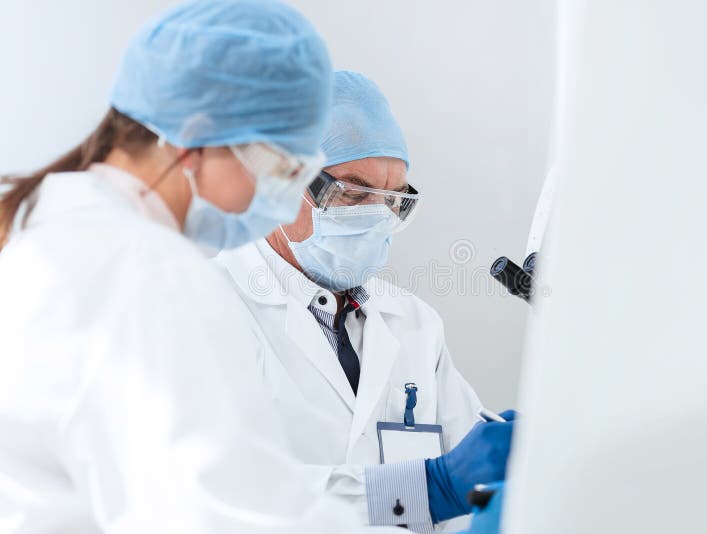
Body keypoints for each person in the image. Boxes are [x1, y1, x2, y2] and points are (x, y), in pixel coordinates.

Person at [0, 3, 401, 533]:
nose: (281, 205)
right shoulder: (144, 268)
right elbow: (231, 517)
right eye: (281, 168)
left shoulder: (50, 221)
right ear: (195, 138)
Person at [215, 71, 516, 533]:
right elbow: (229, 496)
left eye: (393, 199)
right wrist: (427, 488)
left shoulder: (415, 325)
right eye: (353, 192)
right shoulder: (207, 308)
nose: (377, 216)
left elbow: (472, 487)